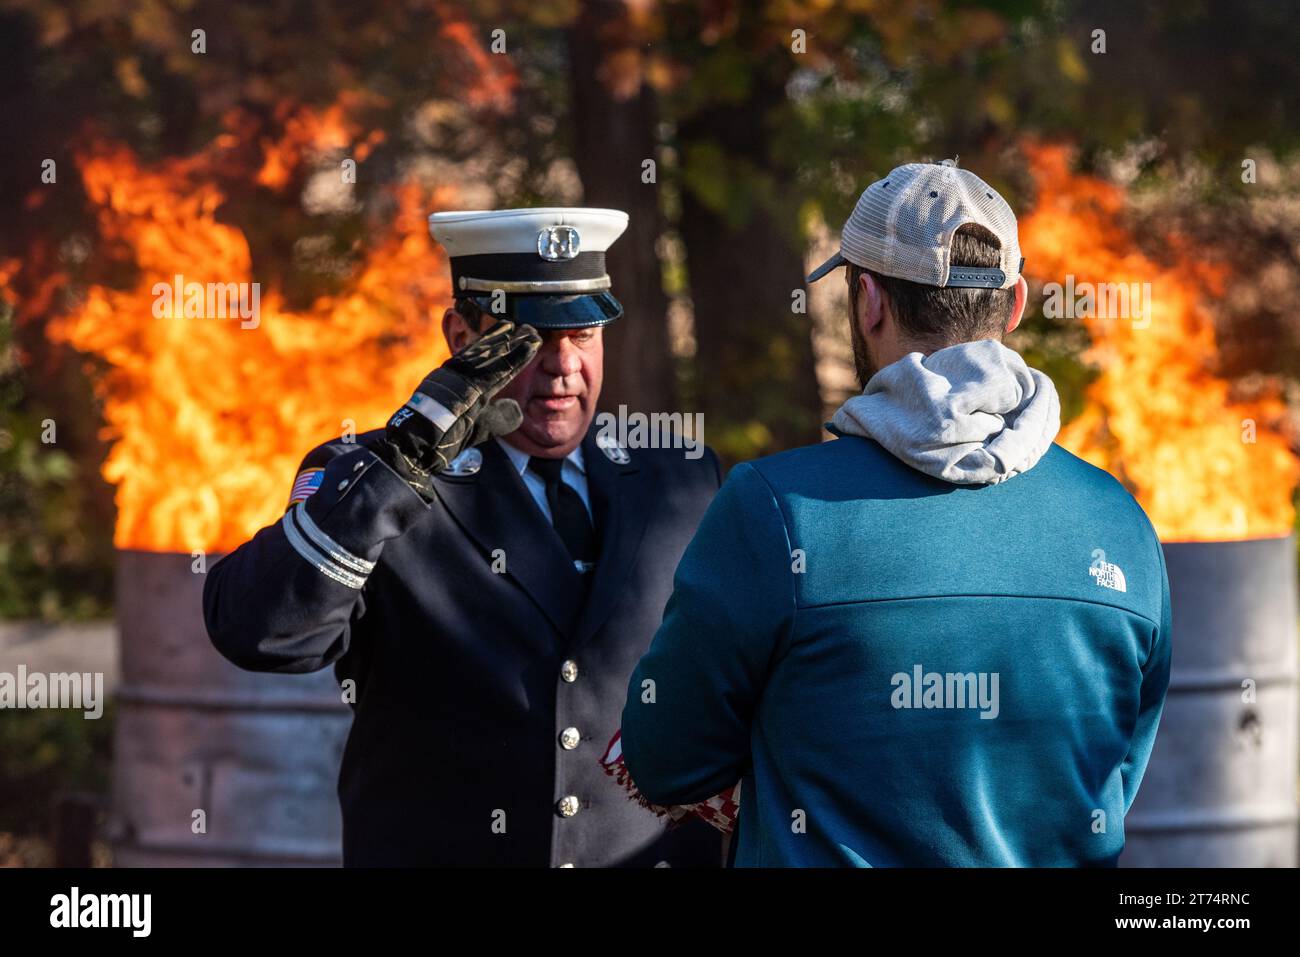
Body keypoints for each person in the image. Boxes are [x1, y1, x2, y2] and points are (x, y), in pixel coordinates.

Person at [619, 163, 1173, 867]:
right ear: (1014, 305)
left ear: (869, 302)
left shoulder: (774, 510)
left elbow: (665, 757)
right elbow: (1113, 780)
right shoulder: (1120, 521)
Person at [204, 207, 724, 867]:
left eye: (585, 333)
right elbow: (258, 630)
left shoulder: (679, 475)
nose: (563, 366)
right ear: (460, 335)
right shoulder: (362, 476)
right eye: (532, 337)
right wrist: (399, 464)